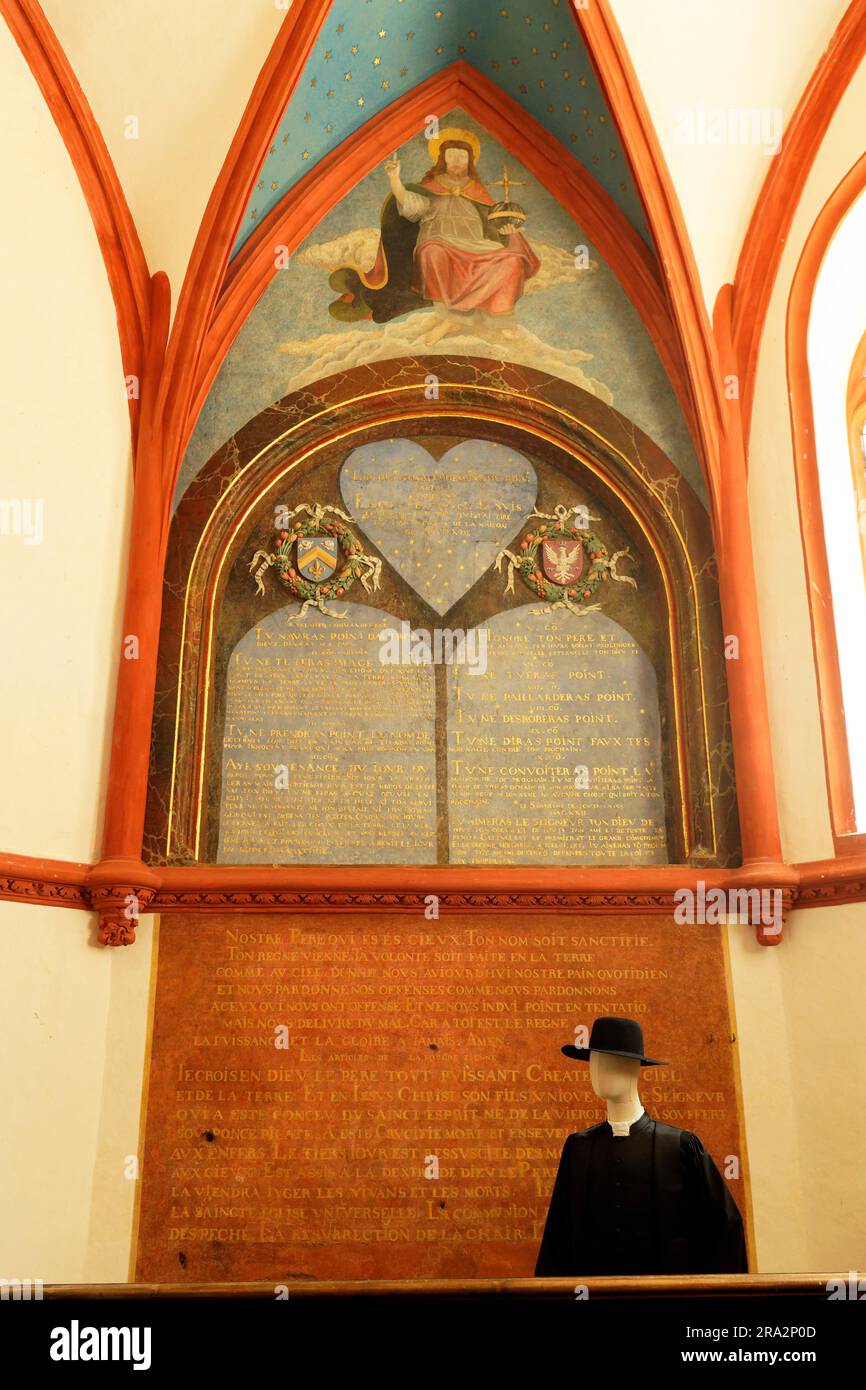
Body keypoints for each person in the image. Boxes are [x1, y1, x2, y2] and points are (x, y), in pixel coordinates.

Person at [328, 127, 540, 343]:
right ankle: (454, 316)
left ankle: (497, 320)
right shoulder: (431, 190)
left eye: (462, 156)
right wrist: (395, 180)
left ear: (470, 160)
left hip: (476, 244)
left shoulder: (478, 192)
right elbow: (410, 205)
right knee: (431, 251)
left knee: (512, 261)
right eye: (451, 156)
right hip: (439, 241)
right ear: (442, 160)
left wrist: (509, 232)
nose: (456, 161)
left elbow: (495, 224)